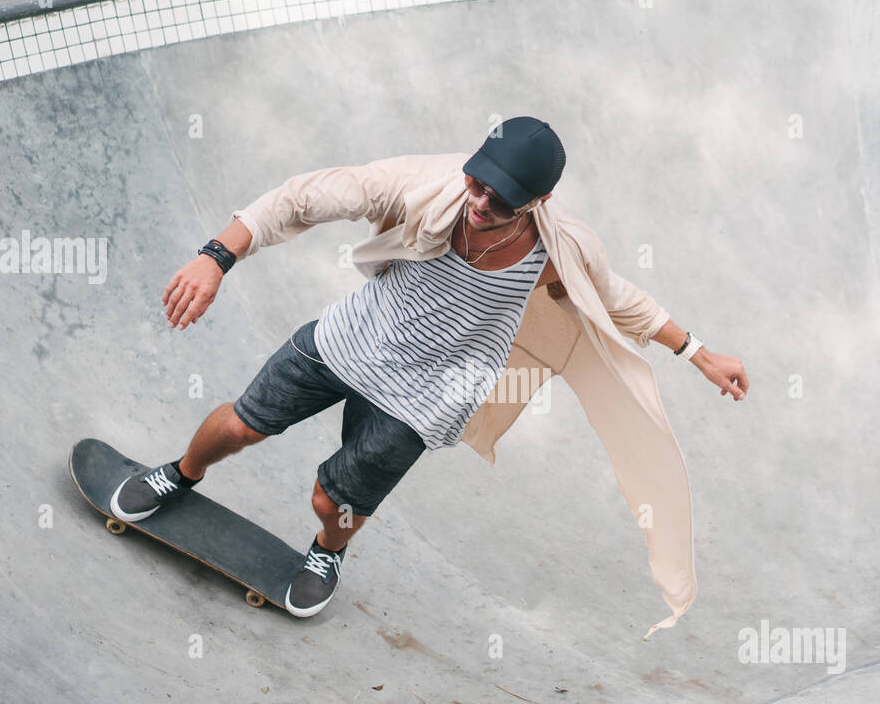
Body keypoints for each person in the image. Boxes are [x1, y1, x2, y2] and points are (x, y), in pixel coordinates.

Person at [111, 117, 749, 630]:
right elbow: (305, 197)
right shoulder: (423, 186)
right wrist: (218, 255)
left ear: (540, 201)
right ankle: (180, 473)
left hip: (429, 396)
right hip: (353, 338)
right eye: (477, 184)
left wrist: (697, 351)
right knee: (243, 426)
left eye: (500, 202)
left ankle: (328, 553)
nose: (479, 204)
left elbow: (616, 298)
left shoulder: (561, 251)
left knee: (333, 501)